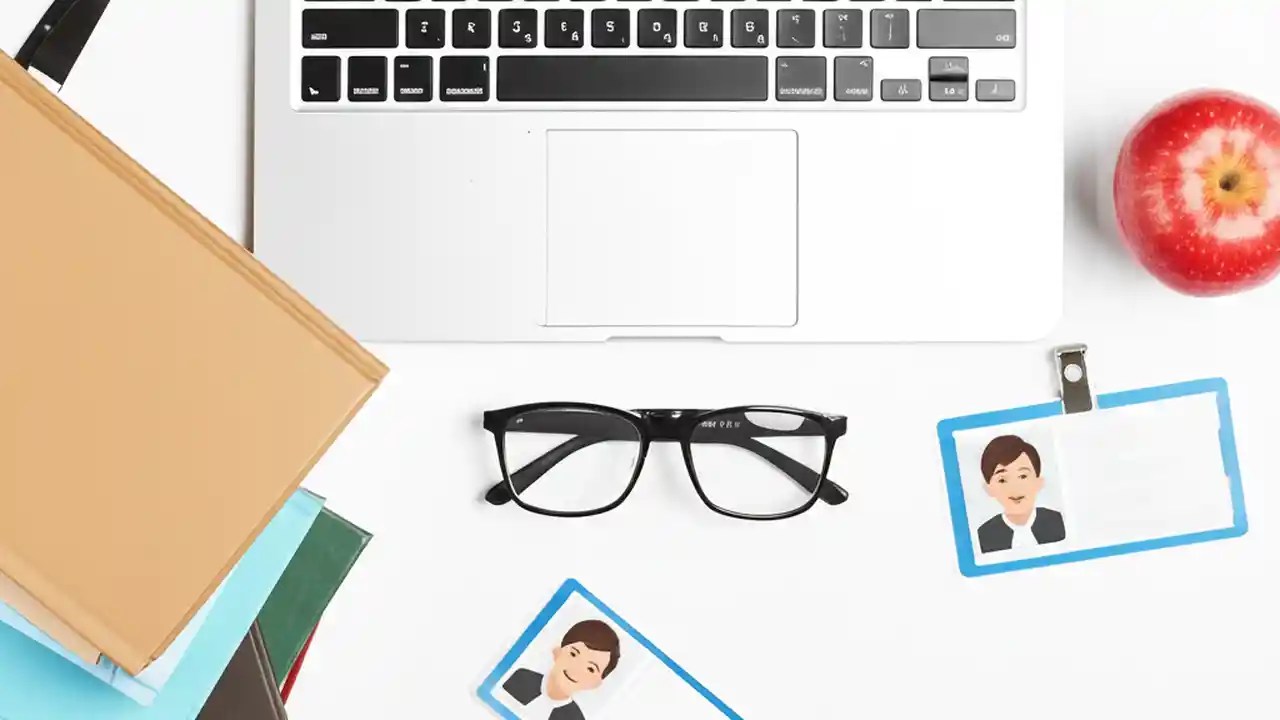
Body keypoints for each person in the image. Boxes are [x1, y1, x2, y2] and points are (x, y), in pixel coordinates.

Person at [503, 620, 621, 720]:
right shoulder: (520, 678)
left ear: (595, 684)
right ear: (557, 652)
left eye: (590, 669)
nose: (575, 669)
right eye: (573, 654)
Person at [976, 435, 1066, 553]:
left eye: (1023, 476)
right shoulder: (984, 535)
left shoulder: (1058, 521)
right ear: (989, 488)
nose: (1015, 487)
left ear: (1039, 482)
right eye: (1002, 480)